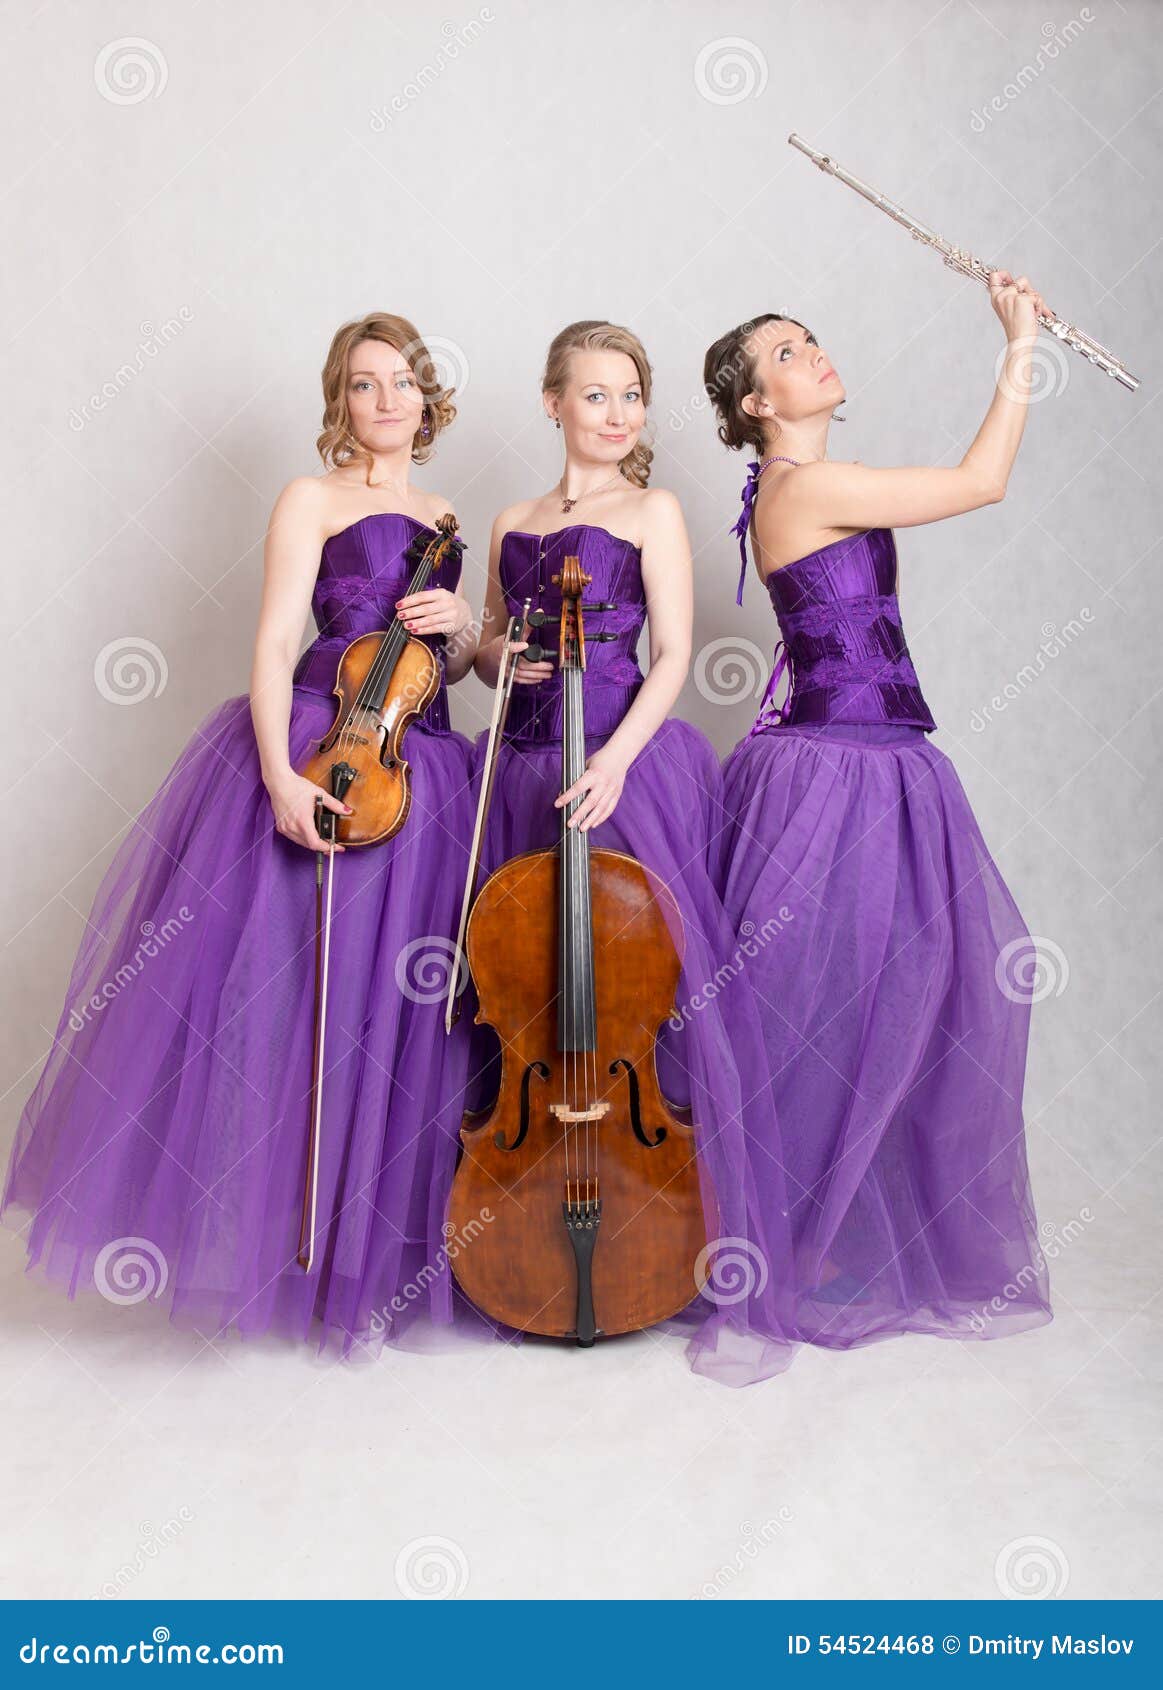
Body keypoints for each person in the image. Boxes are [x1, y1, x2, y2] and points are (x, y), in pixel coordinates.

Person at [2, 312, 487, 1362]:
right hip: (321, 753)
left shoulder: (447, 511)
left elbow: (440, 669)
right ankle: (277, 1254)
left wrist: (465, 640)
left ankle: (370, 1261)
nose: (386, 400)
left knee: (400, 1014)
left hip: (423, 768)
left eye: (402, 381)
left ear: (427, 395)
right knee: (300, 994)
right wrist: (275, 774)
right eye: (364, 384)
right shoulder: (308, 498)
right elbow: (274, 641)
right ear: (340, 401)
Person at [703, 274, 1053, 1348]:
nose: (812, 353)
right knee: (824, 1004)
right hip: (835, 772)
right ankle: (787, 1255)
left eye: (811, 335)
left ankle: (829, 1249)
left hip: (879, 762)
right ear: (758, 403)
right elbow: (979, 480)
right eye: (786, 353)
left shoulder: (805, 481)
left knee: (889, 1001)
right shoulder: (804, 486)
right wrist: (1018, 345)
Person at [468, 319, 798, 1385]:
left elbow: (673, 654)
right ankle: (513, 1221)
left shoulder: (651, 510)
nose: (615, 415)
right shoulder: (511, 518)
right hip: (519, 765)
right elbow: (484, 649)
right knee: (522, 996)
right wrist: (492, 653)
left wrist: (611, 759)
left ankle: (649, 1225)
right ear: (553, 401)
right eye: (595, 395)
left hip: (618, 762)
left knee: (632, 989)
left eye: (630, 397)